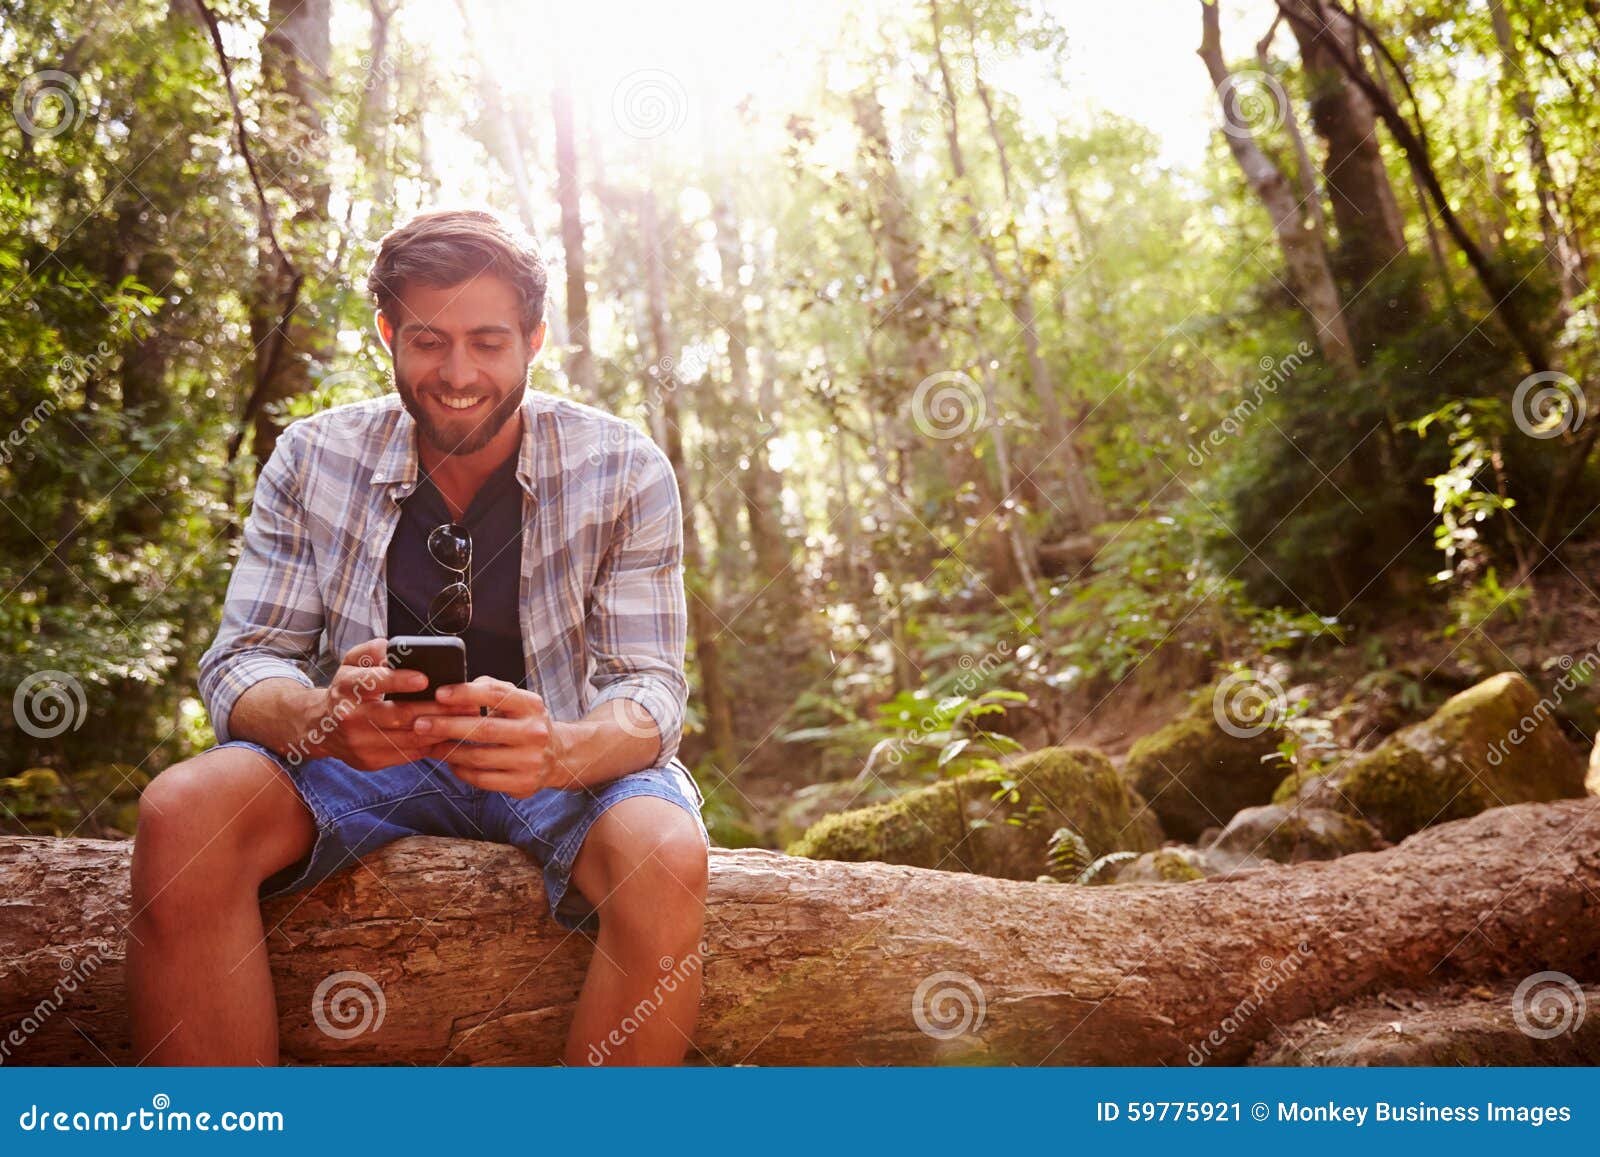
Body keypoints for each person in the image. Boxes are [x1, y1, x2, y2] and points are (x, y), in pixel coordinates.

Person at [126, 208, 709, 1066]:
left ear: (535, 340)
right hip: (360, 767)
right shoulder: (312, 456)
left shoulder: (622, 466)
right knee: (180, 810)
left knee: (665, 852)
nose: (459, 373)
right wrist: (319, 714)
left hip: (562, 769)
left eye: (489, 341)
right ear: (387, 334)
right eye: (430, 341)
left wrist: (561, 749)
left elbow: (651, 685)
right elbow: (243, 660)